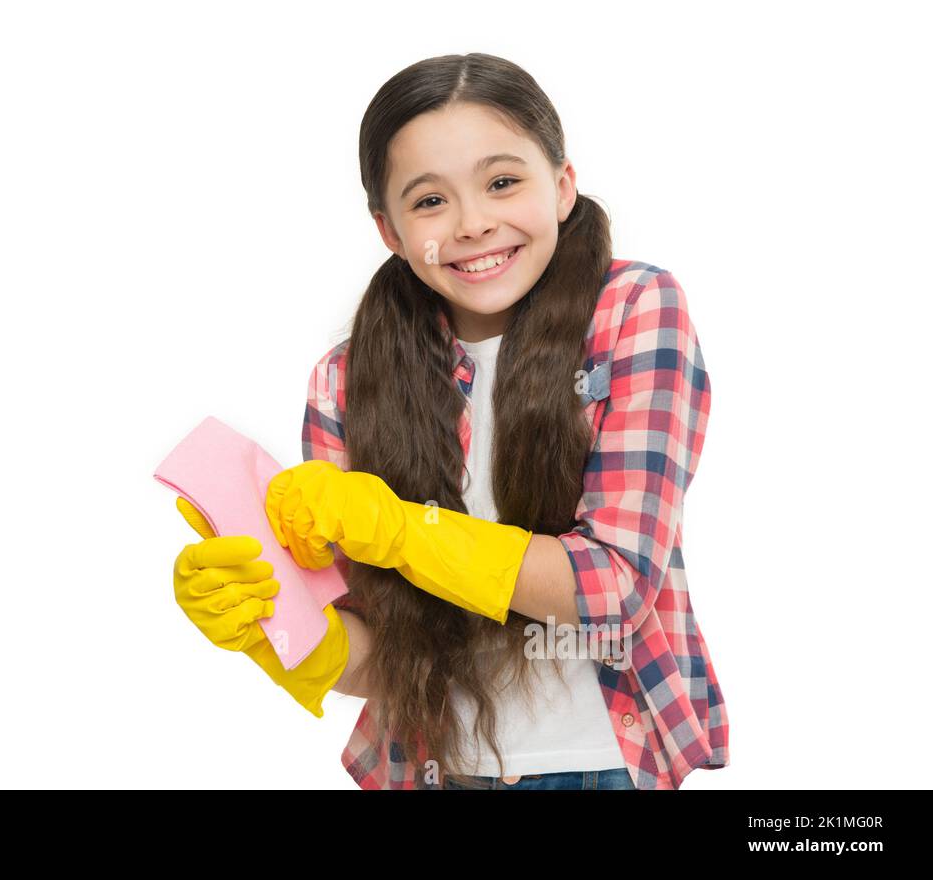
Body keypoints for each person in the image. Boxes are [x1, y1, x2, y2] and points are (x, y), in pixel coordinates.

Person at [171, 53, 728, 790]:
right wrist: (273, 630)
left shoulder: (631, 312)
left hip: (600, 768)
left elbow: (614, 590)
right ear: (391, 231)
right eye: (429, 201)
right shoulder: (346, 381)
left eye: (503, 182)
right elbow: (379, 659)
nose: (472, 225)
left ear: (562, 186)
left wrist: (404, 530)